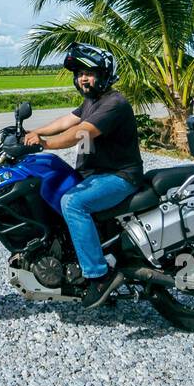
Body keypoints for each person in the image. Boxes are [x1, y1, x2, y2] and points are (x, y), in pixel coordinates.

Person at [23, 44, 144, 307]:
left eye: (89, 72)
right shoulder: (92, 102)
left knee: (73, 202)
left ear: (105, 74)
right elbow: (67, 121)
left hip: (119, 177)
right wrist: (32, 132)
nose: (83, 78)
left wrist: (45, 143)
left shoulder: (114, 104)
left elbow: (81, 133)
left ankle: (99, 276)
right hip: (95, 175)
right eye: (79, 73)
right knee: (50, 179)